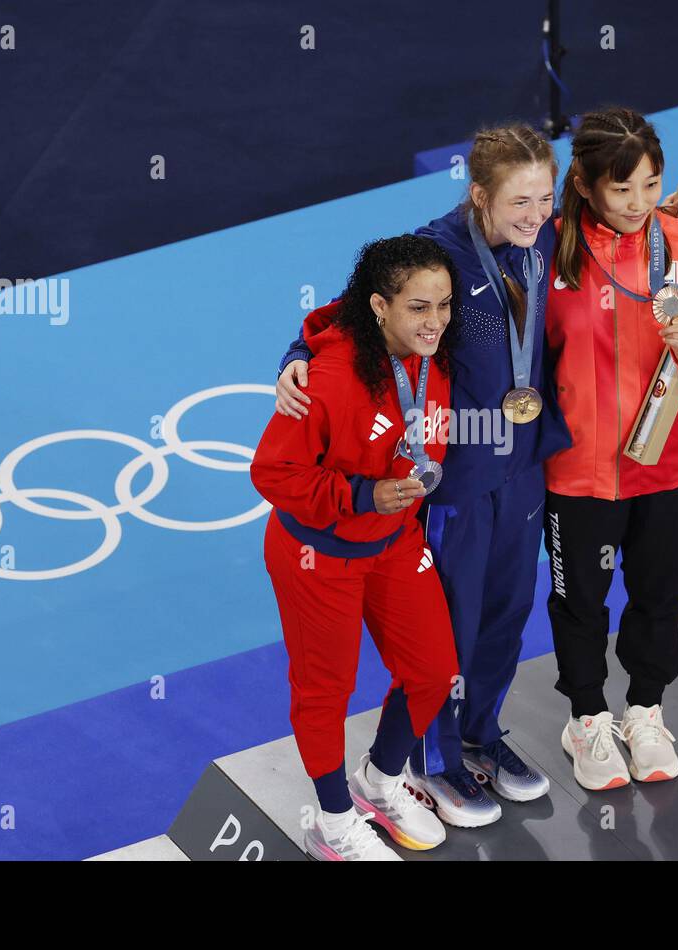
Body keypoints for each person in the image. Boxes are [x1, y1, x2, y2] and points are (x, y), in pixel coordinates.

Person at [271, 125, 570, 827]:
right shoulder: (439, 249)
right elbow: (355, 307)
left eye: (545, 198)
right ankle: (432, 761)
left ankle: (482, 735)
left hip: (524, 463)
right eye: (518, 200)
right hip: (457, 474)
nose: (534, 214)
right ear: (478, 196)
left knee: (507, 613)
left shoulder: (546, 239)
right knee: (453, 625)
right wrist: (294, 354)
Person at [545, 108, 678, 790]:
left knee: (661, 595)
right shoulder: (547, 251)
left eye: (650, 185)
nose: (637, 204)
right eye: (621, 190)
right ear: (584, 184)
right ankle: (585, 719)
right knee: (581, 603)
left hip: (667, 470)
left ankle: (643, 709)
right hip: (576, 474)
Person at [250, 235, 461, 861]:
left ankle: (379, 780)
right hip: (318, 555)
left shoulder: (436, 355)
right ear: (378, 306)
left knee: (432, 671)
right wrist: (362, 496)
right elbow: (272, 473)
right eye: (418, 308)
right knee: (326, 690)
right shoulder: (329, 379)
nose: (435, 322)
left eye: (443, 305)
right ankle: (333, 821)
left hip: (396, 543)